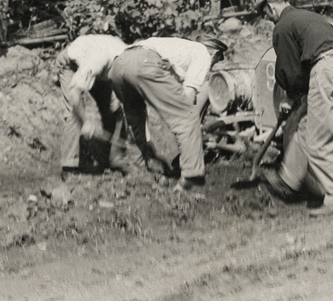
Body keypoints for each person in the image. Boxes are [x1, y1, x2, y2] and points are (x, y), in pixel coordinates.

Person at [254, 0, 333, 217]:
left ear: (270, 8)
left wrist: (290, 97)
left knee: (317, 140)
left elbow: (290, 71)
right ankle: (290, 178)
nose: (267, 19)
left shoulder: (282, 26)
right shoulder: (308, 16)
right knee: (305, 123)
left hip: (326, 70)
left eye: (265, 14)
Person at [109, 34, 228, 190]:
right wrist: (192, 134)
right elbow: (188, 98)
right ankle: (191, 176)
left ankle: (137, 173)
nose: (212, 67)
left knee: (135, 120)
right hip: (144, 63)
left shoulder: (177, 48)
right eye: (216, 61)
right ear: (215, 54)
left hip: (118, 65)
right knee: (187, 116)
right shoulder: (202, 53)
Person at [57, 34, 129, 176]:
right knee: (74, 111)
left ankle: (115, 158)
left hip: (102, 66)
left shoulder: (128, 59)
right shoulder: (95, 62)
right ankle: (69, 167)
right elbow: (75, 93)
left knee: (114, 108)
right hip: (71, 63)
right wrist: (86, 121)